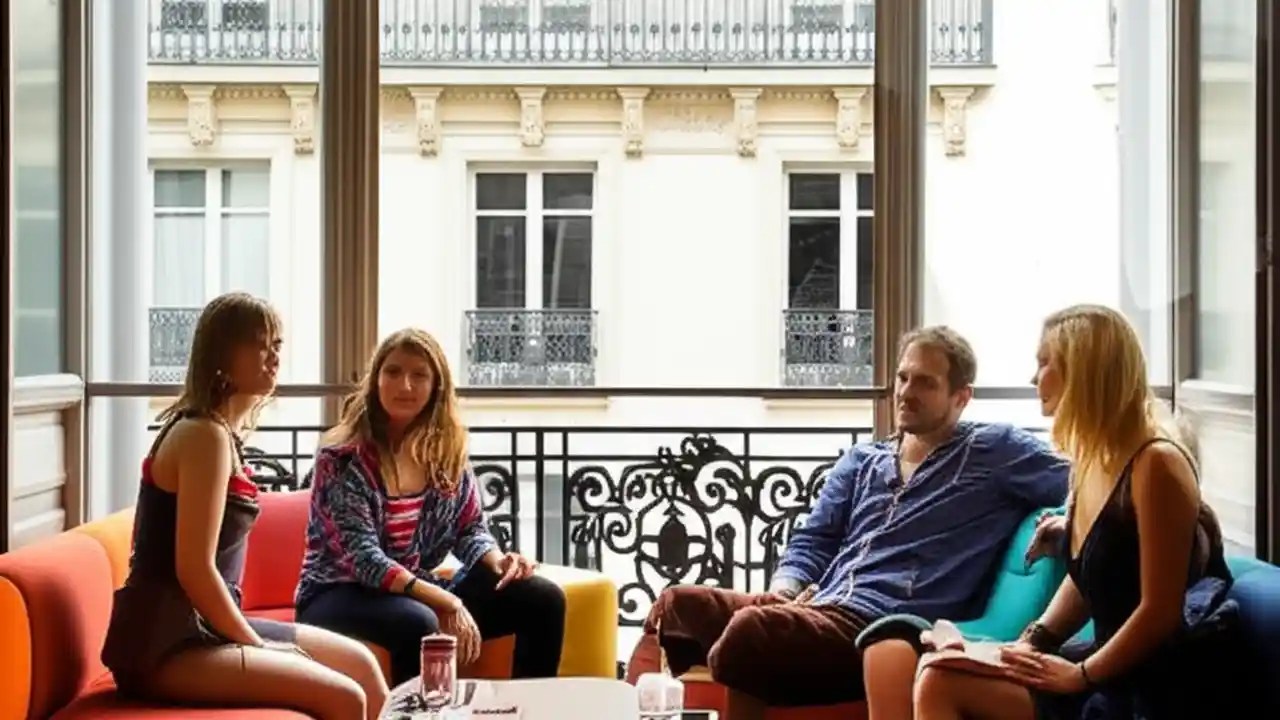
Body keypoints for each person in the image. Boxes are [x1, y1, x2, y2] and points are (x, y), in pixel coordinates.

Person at [638, 326, 1071, 720]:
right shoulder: (863, 459)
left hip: (882, 626)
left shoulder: (996, 450)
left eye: (925, 382)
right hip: (818, 607)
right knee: (677, 603)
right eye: (903, 378)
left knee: (752, 631)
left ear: (961, 397)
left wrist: (1067, 520)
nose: (905, 392)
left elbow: (1089, 482)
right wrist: (784, 593)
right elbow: (814, 539)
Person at [913, 304, 1247, 719]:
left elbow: (1160, 613)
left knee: (941, 683)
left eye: (1044, 363)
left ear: (1084, 372)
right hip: (1101, 663)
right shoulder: (1092, 461)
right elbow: (1086, 577)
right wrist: (1033, 641)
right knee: (936, 668)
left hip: (1148, 680)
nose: (1034, 378)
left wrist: (1080, 675)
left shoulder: (1156, 464)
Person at [100, 293, 388, 720]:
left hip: (203, 629)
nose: (272, 356)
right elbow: (193, 569)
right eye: (258, 342)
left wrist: (248, 637)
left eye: (277, 344)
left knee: (363, 666)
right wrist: (255, 644)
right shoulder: (202, 436)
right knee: (346, 697)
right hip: (164, 643)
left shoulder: (222, 435)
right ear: (220, 350)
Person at [295, 328, 567, 688]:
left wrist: (498, 562)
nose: (404, 385)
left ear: (436, 386)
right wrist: (446, 602)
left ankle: (531, 709)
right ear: (375, 380)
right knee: (420, 623)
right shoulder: (342, 459)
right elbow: (365, 561)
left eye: (419, 375)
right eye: (392, 372)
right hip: (338, 593)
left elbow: (469, 528)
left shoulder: (445, 454)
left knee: (543, 599)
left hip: (413, 590)